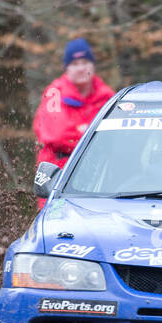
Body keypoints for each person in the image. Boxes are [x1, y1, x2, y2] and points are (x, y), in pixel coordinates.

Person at [32, 37, 114, 208]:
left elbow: (115, 138)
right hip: (59, 177)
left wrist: (82, 130)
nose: (81, 68)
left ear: (93, 66)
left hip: (98, 178)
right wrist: (94, 136)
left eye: (85, 62)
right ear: (66, 68)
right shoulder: (55, 92)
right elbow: (57, 136)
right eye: (75, 63)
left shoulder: (107, 96)